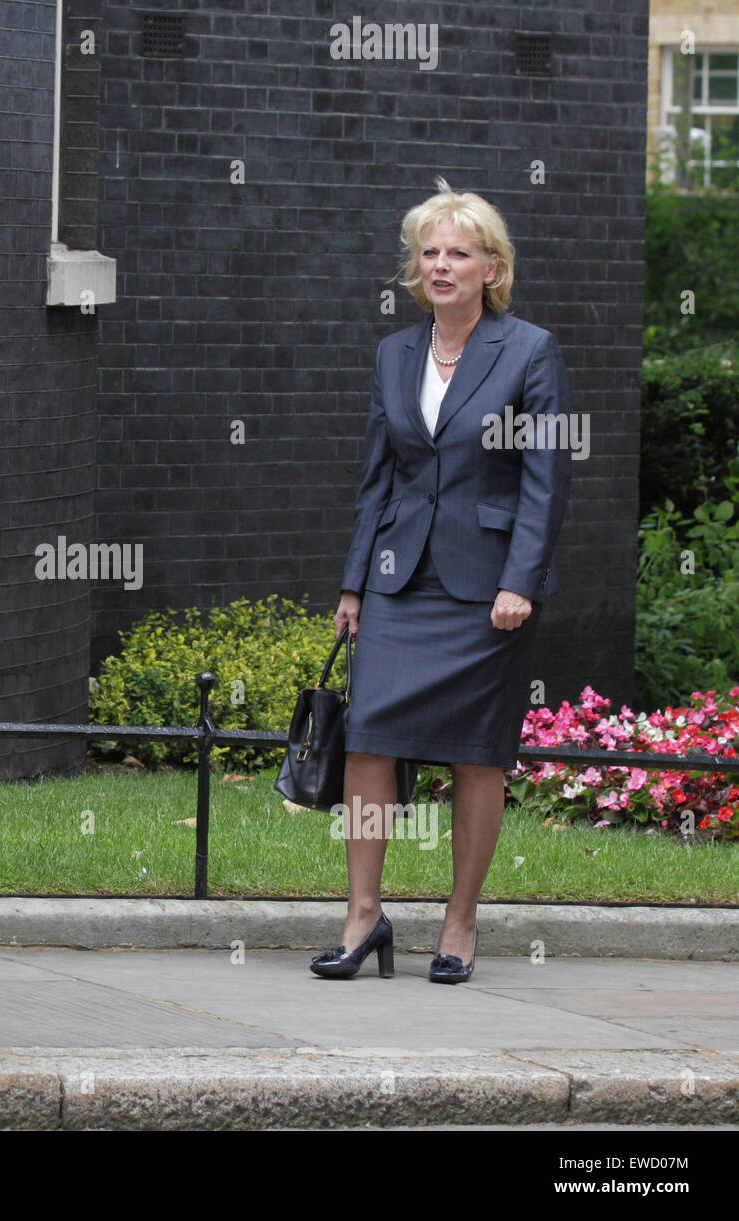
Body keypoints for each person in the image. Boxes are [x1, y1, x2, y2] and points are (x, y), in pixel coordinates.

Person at [313, 178, 573, 985]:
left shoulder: (530, 350)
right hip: (397, 579)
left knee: (476, 756)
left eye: (459, 252)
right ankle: (363, 915)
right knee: (368, 743)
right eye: (429, 252)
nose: (441, 265)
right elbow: (377, 476)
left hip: (487, 587)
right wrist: (355, 583)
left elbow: (546, 478)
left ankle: (460, 923)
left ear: (492, 268)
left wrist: (520, 578)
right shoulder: (394, 353)